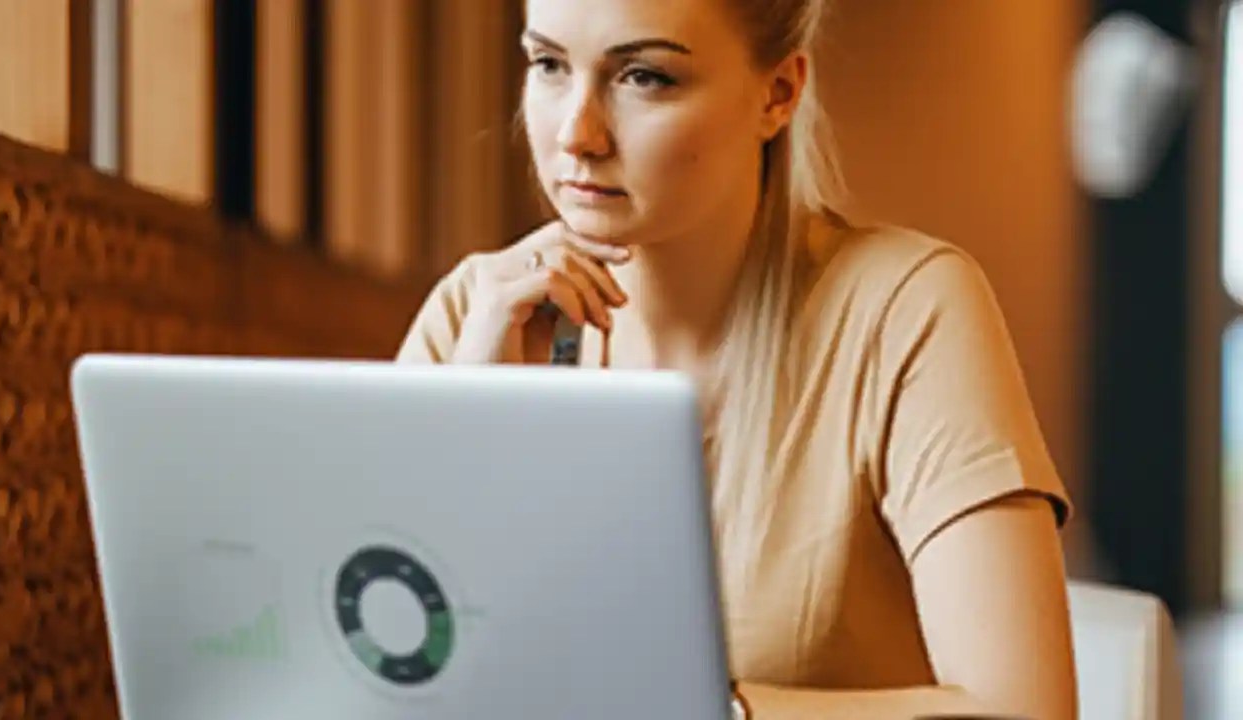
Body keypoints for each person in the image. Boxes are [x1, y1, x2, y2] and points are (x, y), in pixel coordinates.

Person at [396, 0, 1079, 717]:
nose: (577, 134)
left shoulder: (903, 312)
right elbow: (386, 679)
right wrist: (467, 431)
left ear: (778, 94)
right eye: (549, 65)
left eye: (644, 77)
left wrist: (699, 706)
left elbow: (1024, 711)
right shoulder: (474, 316)